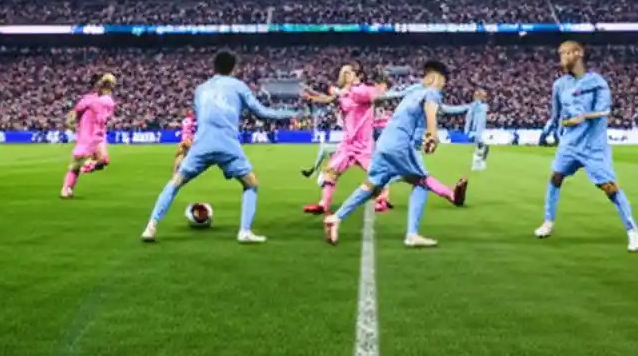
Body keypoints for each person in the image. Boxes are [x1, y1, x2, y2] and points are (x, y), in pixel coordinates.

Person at [141, 50, 300, 244]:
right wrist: (289, 113)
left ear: (213, 67)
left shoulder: (201, 89)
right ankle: (244, 231)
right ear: (234, 68)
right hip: (227, 145)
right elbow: (261, 112)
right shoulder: (238, 86)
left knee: (175, 183)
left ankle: (151, 227)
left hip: (202, 144)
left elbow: (202, 115)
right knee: (251, 185)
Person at [324, 60, 467, 248]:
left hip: (384, 143)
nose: (442, 87)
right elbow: (430, 109)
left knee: (370, 187)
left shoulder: (413, 91)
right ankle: (414, 233)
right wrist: (433, 134)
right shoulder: (431, 91)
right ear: (433, 78)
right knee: (422, 182)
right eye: (442, 82)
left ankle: (336, 218)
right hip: (400, 144)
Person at [536, 42, 638, 252]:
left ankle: (633, 231)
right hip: (569, 144)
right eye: (560, 54)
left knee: (609, 188)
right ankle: (548, 222)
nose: (562, 57)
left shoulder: (597, 82)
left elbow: (604, 111)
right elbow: (556, 116)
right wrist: (546, 134)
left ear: (579, 53)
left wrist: (583, 117)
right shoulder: (559, 85)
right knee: (555, 177)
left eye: (566, 53)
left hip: (593, 145)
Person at [302, 63, 392, 214]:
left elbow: (372, 95)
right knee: (330, 171)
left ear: (358, 76)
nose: (346, 75)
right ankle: (324, 203)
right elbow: (331, 98)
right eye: (344, 73)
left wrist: (342, 91)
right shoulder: (344, 95)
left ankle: (382, 200)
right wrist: (313, 96)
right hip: (348, 143)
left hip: (363, 145)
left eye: (349, 73)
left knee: (377, 172)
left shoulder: (362, 90)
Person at [61, 74, 116, 198]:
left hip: (90, 136)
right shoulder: (96, 100)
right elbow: (99, 117)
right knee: (91, 162)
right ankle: (84, 170)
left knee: (96, 161)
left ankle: (68, 187)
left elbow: (77, 112)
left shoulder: (95, 100)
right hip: (90, 136)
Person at [443, 88, 490, 171]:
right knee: (480, 145)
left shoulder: (483, 106)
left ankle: (480, 163)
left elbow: (480, 113)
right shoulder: (473, 106)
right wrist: (443, 107)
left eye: (477, 95)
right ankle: (478, 163)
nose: (474, 97)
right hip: (473, 130)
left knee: (482, 145)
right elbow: (458, 109)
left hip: (480, 130)